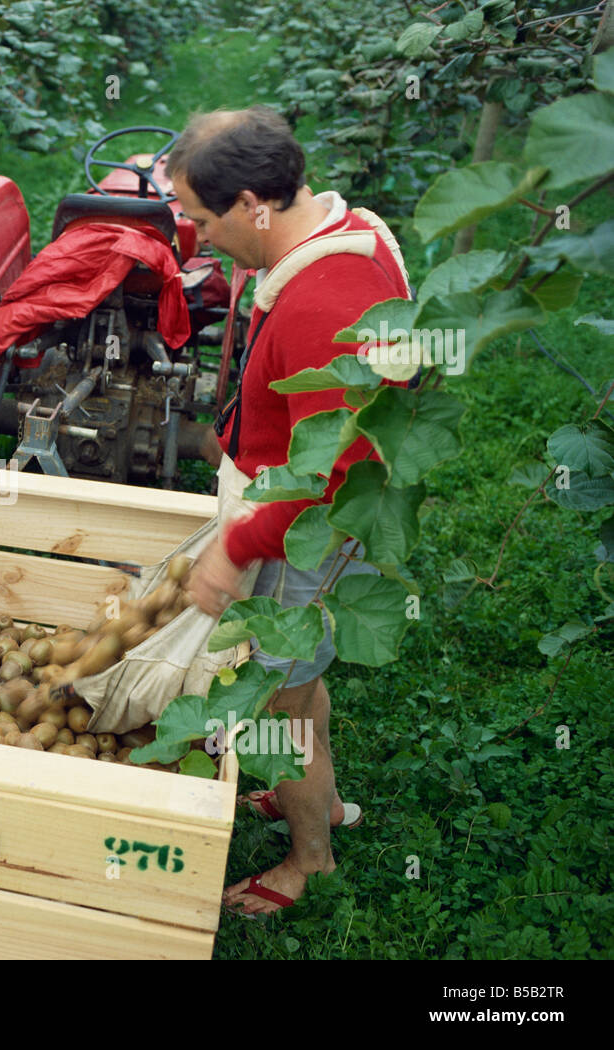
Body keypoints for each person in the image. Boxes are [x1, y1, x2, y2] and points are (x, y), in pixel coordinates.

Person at [165, 107, 411, 915]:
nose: (196, 240)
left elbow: (336, 473)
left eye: (200, 219)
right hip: (326, 522)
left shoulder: (320, 302)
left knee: (281, 703)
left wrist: (239, 545)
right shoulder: (343, 234)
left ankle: (311, 861)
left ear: (249, 205)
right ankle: (323, 800)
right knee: (302, 685)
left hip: (314, 531)